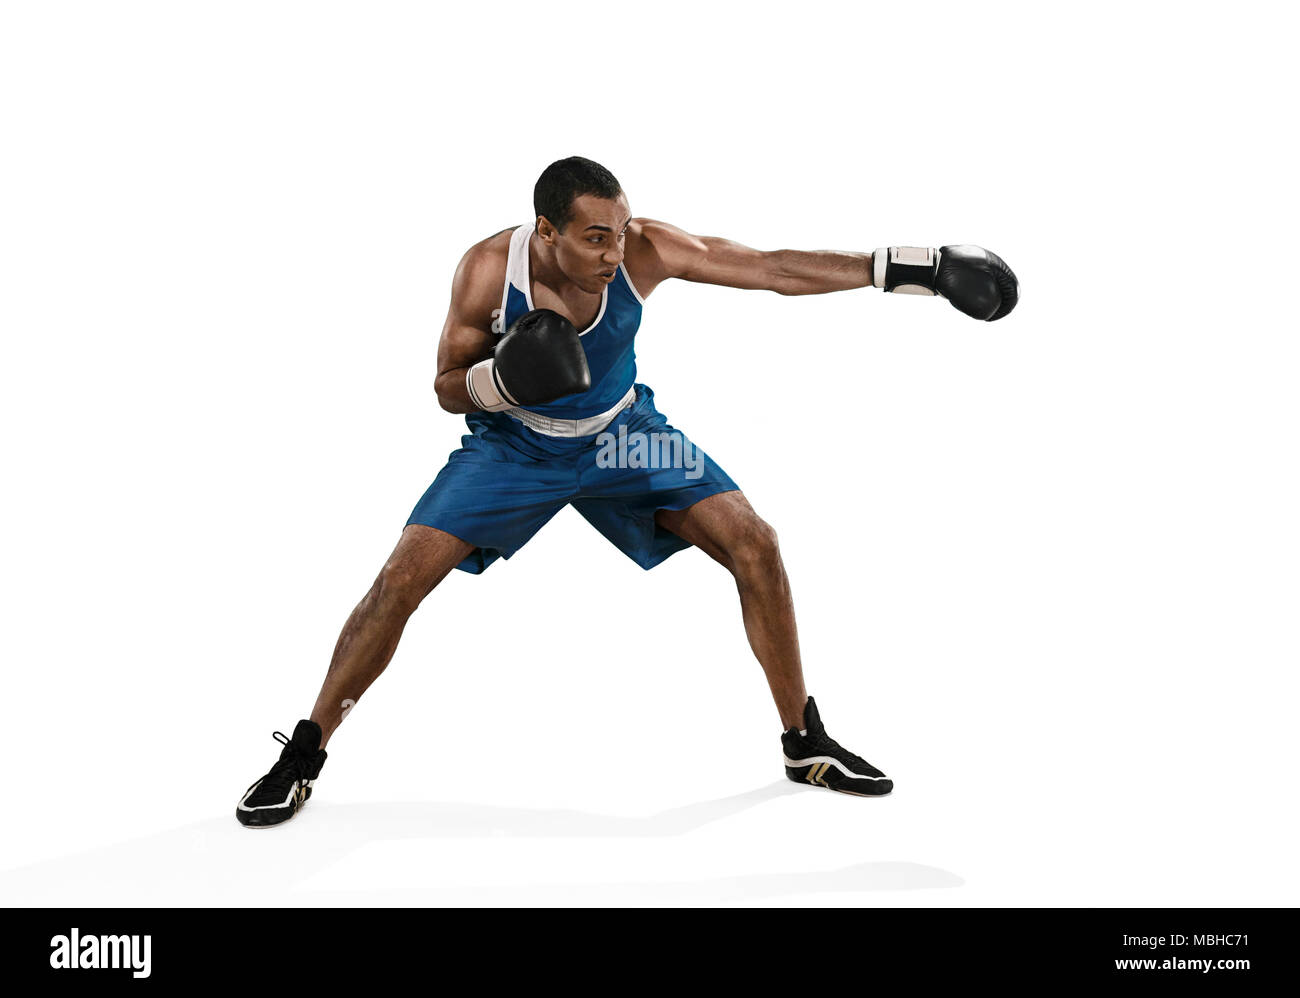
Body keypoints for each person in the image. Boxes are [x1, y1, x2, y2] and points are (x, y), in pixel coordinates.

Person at [236, 156, 1018, 827]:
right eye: (594, 236)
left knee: (757, 543)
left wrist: (906, 267)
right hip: (518, 449)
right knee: (399, 581)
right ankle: (304, 754)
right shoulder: (487, 270)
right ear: (546, 231)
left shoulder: (644, 252)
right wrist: (502, 379)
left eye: (620, 230)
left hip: (623, 435)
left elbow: (770, 268)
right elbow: (444, 386)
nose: (615, 251)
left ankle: (804, 741)